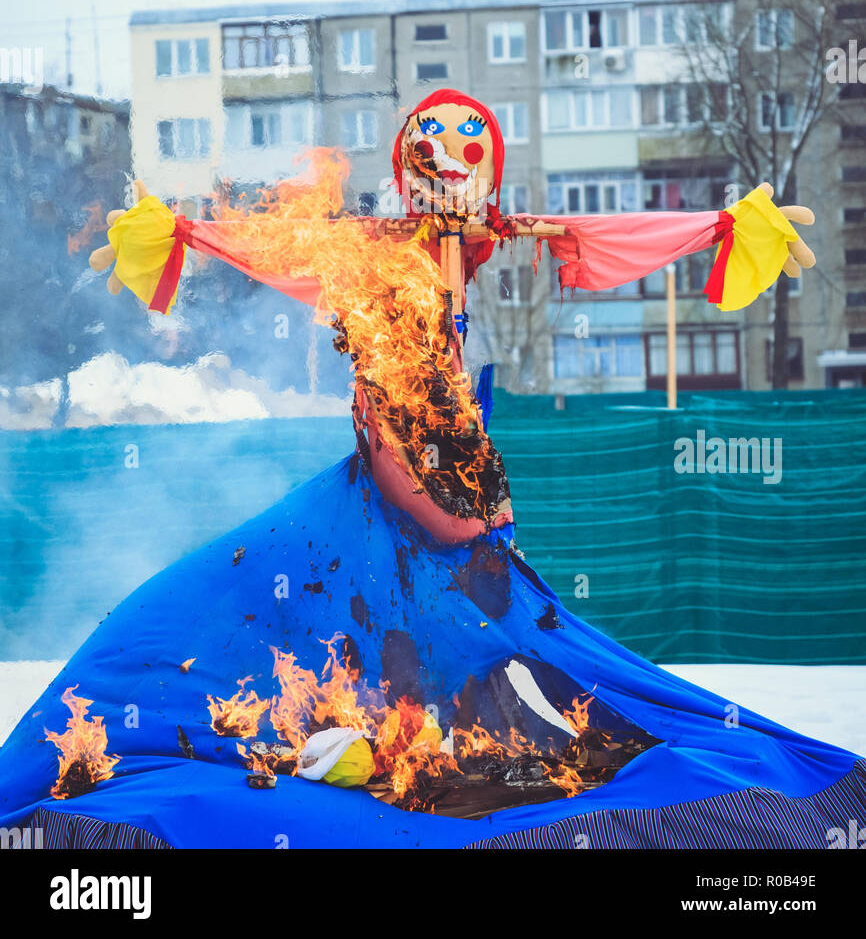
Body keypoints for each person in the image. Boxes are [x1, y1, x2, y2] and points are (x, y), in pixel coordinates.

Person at [0, 90, 861, 849]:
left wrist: (719, 228)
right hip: (387, 543)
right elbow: (281, 246)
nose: (448, 154)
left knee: (512, 711)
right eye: (433, 140)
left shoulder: (446, 431)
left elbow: (595, 236)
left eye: (467, 141)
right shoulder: (379, 313)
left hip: (443, 569)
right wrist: (184, 234)